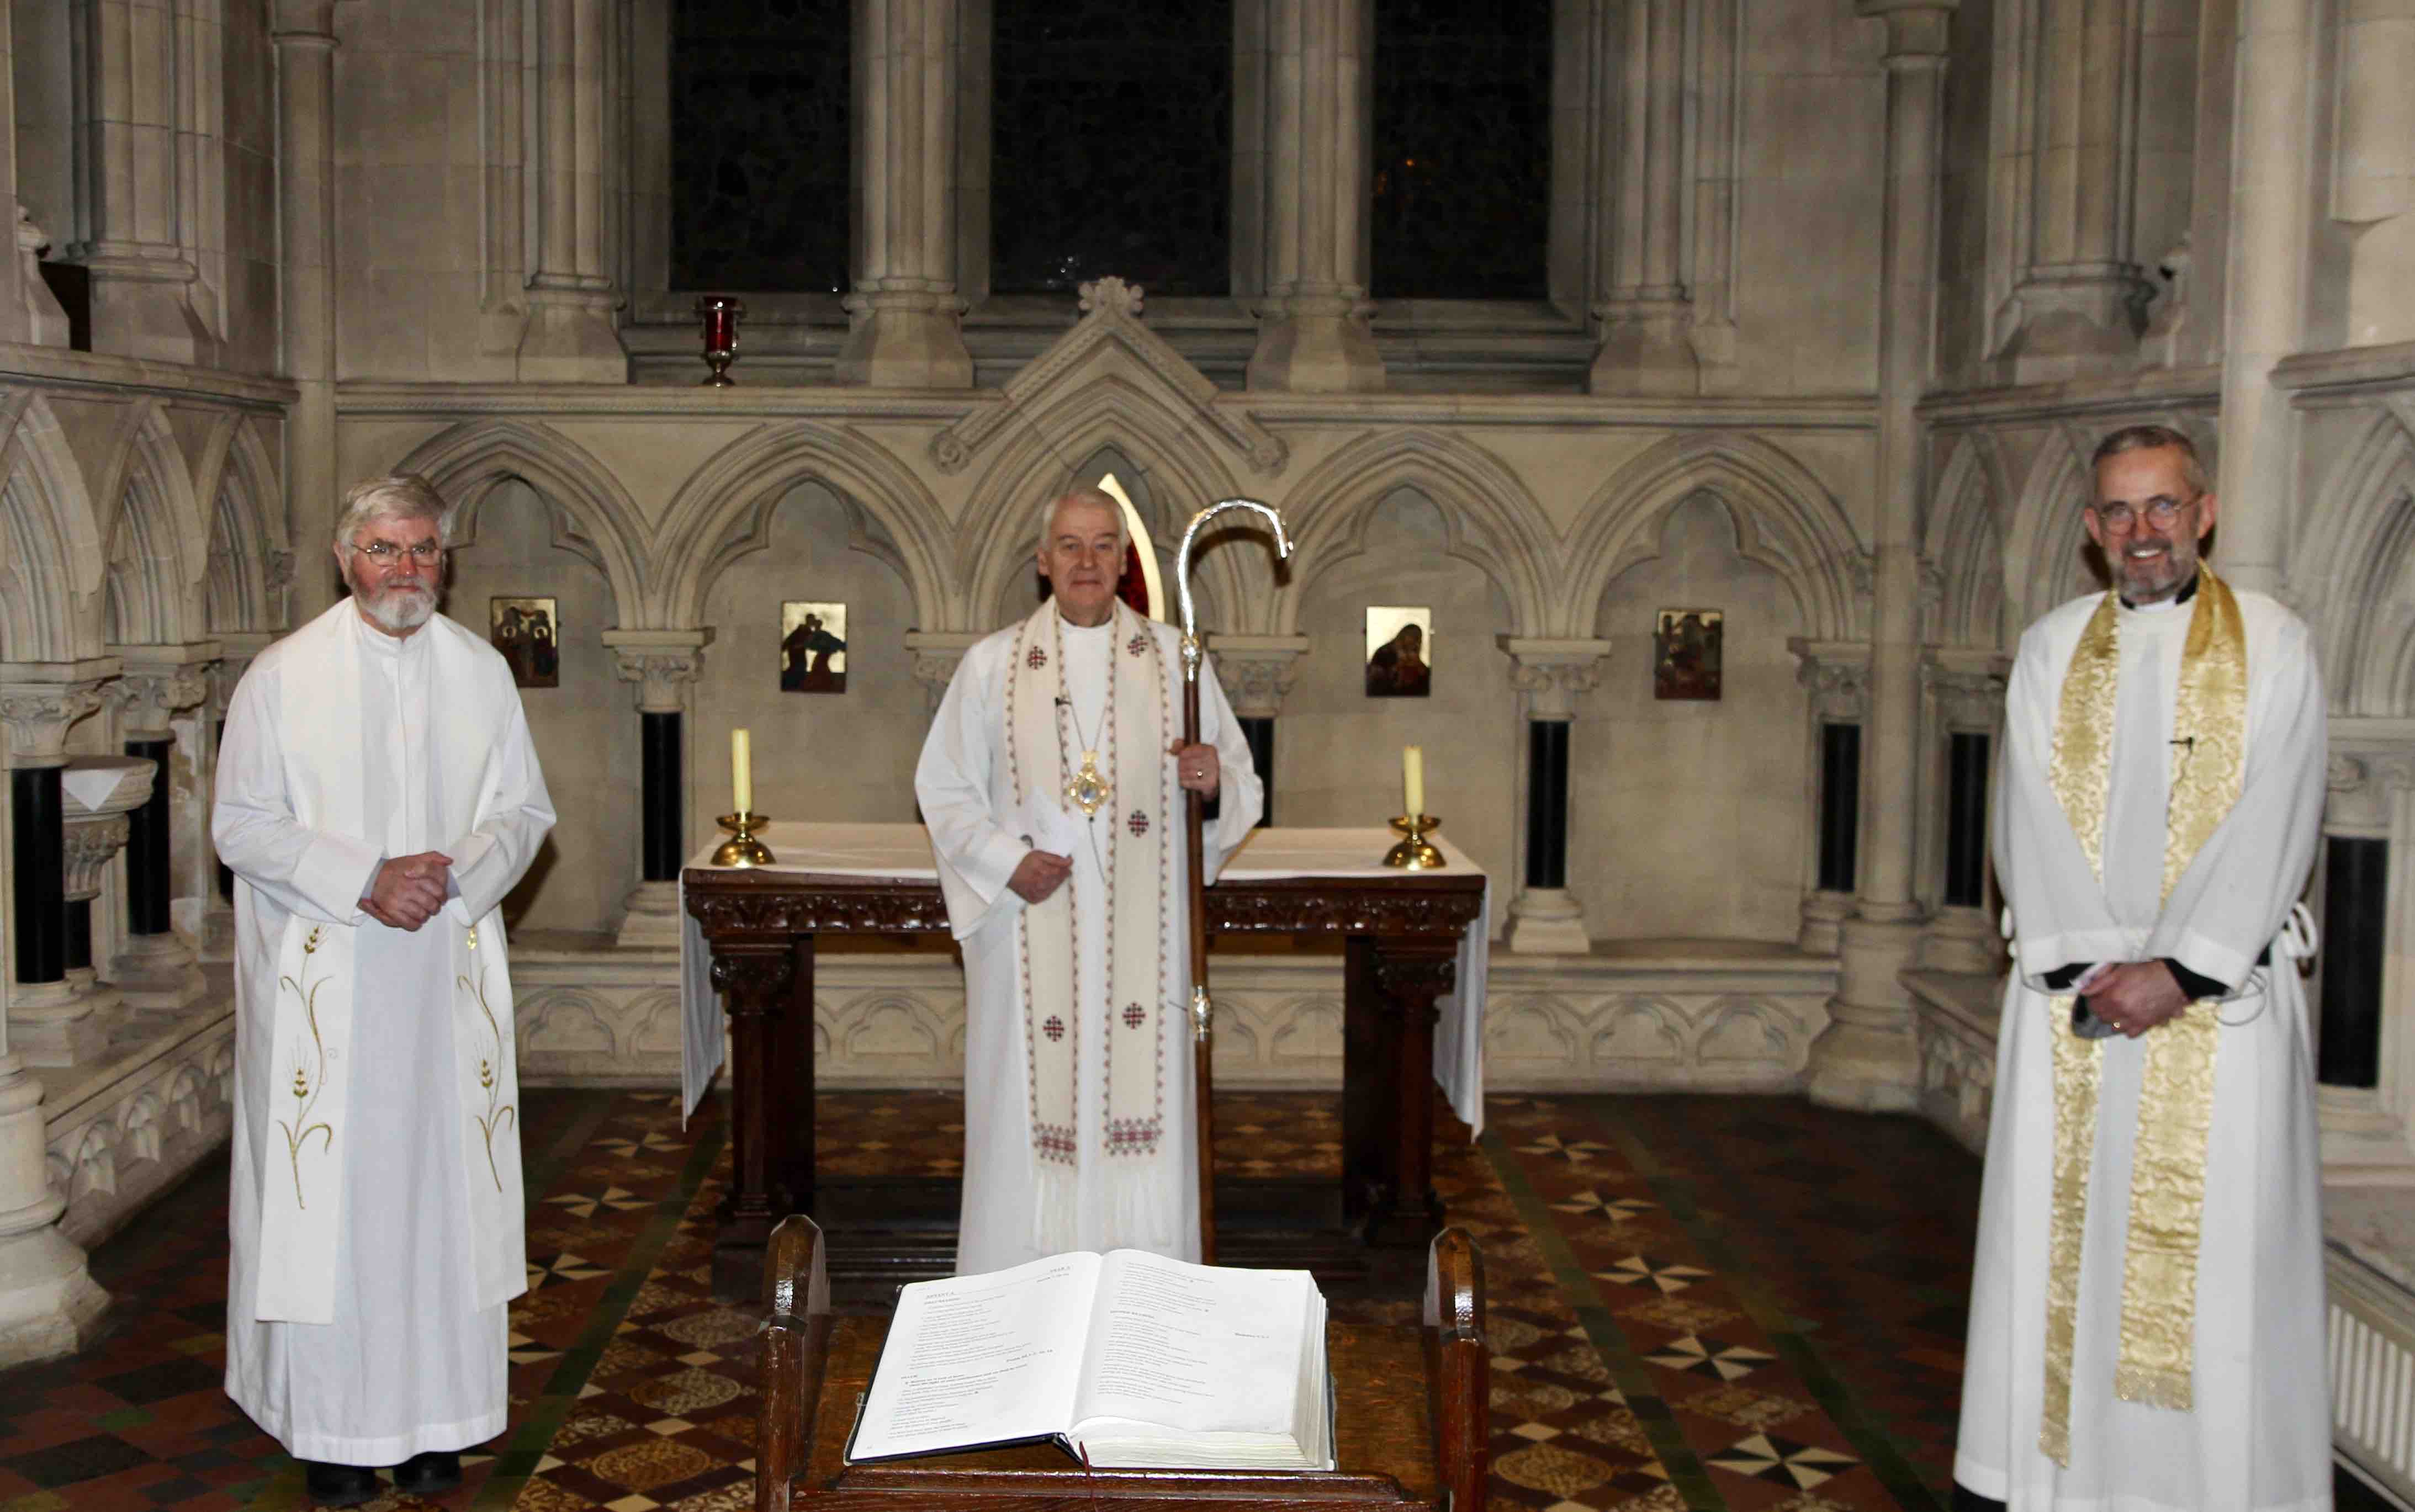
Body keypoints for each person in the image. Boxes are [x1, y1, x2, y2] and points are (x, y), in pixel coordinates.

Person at [1952, 426, 2329, 1512]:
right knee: (2068, 1257)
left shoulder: (2273, 642)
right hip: (2081, 1005)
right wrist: (2096, 964)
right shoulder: (2052, 646)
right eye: (2118, 513)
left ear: (2204, 513)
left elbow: (2279, 815)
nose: (2142, 533)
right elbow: (2022, 816)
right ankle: (2067, 1483)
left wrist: (2184, 973)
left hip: (2223, 1014)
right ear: (2091, 530)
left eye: (2162, 507)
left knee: (2218, 1275)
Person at [214, 475, 557, 1506]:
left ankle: (434, 1421)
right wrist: (366, 874)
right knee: (333, 1204)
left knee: (440, 1200)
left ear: (444, 561)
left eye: (421, 551)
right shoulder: (283, 677)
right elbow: (241, 823)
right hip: (329, 981)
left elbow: (526, 810)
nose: (403, 570)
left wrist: (452, 871)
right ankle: (329, 1428)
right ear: (343, 557)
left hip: (443, 976)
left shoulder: (480, 670)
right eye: (382, 550)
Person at [915, 486, 1263, 1275]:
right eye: (1069, 545)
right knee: (1026, 1124)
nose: (1086, 560)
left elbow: (1239, 783)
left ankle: (1141, 1312)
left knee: (1145, 1126)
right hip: (1028, 936)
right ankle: (1019, 1312)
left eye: (1103, 545)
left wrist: (1211, 784)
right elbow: (942, 788)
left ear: (1124, 561)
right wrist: (1008, 862)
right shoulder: (991, 666)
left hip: (1147, 949)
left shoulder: (1176, 661)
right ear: (1042, 563)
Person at [1365, 621, 1430, 696]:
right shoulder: (1385, 652)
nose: (1416, 641)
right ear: (1404, 635)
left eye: (1418, 638)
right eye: (1413, 637)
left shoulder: (1412, 654)